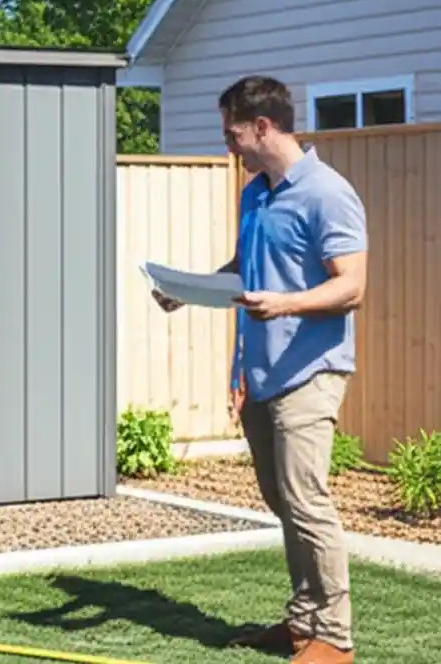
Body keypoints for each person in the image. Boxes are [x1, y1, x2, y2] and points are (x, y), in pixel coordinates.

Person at [152, 75, 367, 664]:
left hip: (310, 371)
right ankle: (303, 622)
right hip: (261, 372)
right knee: (283, 502)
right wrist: (191, 289)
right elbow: (250, 265)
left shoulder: (327, 192)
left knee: (307, 501)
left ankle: (335, 639)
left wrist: (286, 303)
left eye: (233, 132)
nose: (229, 145)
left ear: (263, 126)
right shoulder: (256, 192)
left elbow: (351, 285)